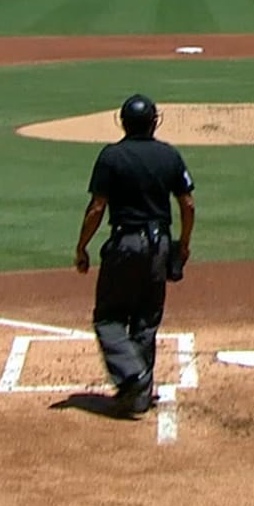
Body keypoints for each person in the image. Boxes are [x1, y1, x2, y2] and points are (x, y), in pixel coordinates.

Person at [75, 94, 196, 417]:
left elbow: (97, 207)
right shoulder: (168, 155)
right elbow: (187, 204)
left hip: (125, 245)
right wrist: (182, 244)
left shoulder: (112, 157)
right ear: (154, 121)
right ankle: (139, 394)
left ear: (123, 122)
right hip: (158, 246)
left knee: (108, 317)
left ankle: (132, 375)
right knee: (145, 321)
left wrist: (82, 246)